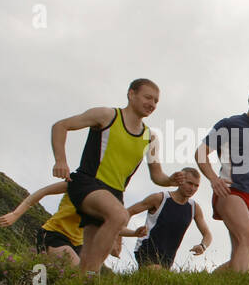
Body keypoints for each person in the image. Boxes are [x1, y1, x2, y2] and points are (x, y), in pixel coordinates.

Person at [49, 78, 178, 273]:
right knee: (119, 216)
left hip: (115, 194)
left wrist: (170, 180)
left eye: (156, 101)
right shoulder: (106, 115)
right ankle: (91, 276)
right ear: (131, 94)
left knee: (90, 256)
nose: (152, 104)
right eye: (148, 97)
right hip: (88, 183)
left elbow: (157, 175)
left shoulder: (150, 137)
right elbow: (60, 126)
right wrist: (60, 160)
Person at [195, 82, 249, 274]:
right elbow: (200, 153)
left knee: (242, 254)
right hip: (230, 192)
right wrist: (213, 179)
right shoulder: (230, 124)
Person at [0, 180, 145, 266]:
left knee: (84, 277)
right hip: (53, 234)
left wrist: (134, 233)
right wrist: (15, 214)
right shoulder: (78, 183)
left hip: (78, 244)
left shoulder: (107, 200)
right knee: (75, 271)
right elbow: (43, 191)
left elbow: (113, 225)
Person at [126, 168, 212, 269]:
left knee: (155, 283)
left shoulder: (194, 208)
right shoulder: (160, 199)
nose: (192, 188)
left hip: (168, 258)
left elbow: (207, 234)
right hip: (146, 250)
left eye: (196, 185)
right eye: (189, 183)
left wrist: (203, 246)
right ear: (180, 181)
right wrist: (118, 235)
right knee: (157, 273)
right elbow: (128, 212)